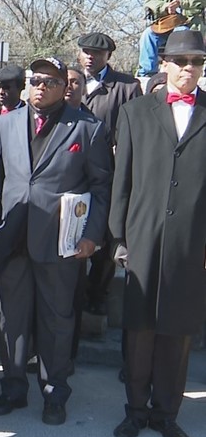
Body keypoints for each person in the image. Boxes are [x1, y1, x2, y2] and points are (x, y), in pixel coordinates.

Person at [0, 57, 112, 425]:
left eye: (50, 81)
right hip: (12, 238)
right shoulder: (5, 123)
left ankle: (55, 391)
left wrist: (91, 237)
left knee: (56, 320)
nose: (40, 86)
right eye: (35, 79)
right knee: (12, 318)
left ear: (65, 87)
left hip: (61, 243)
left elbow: (102, 188)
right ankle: (12, 387)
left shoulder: (87, 128)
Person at [109, 29, 206, 437]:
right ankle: (135, 410)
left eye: (197, 62)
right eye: (182, 61)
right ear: (164, 64)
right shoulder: (135, 112)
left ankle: (167, 413)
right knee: (139, 330)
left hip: (191, 242)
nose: (189, 69)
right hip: (143, 236)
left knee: (177, 331)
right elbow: (122, 183)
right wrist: (121, 239)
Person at [76, 32, 141, 317]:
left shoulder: (127, 87)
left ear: (108, 57)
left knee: (106, 236)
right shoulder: (70, 81)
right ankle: (75, 292)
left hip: (110, 173)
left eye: (97, 53)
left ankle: (97, 294)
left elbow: (134, 128)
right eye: (86, 51)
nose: (91, 56)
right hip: (75, 172)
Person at [139, 0, 204, 76]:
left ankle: (179, 70)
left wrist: (181, 2)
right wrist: (165, 7)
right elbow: (149, 2)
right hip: (167, 27)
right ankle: (147, 73)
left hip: (191, 27)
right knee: (148, 34)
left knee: (181, 33)